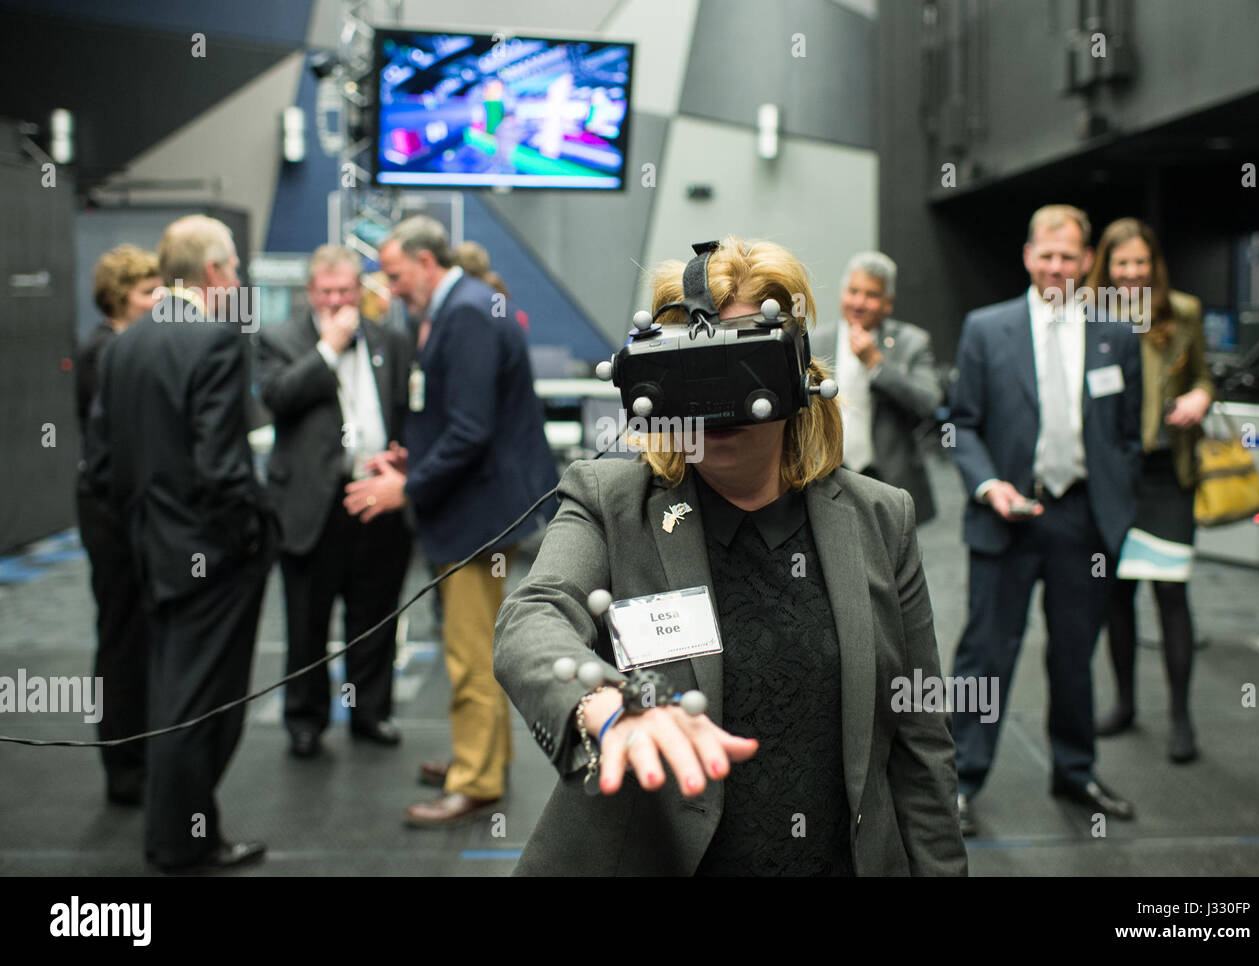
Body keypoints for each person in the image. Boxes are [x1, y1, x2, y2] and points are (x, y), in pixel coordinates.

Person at [493, 236, 968, 875]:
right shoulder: (612, 503)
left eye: (744, 357)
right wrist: (601, 707)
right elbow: (533, 618)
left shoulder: (880, 519)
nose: (718, 395)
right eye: (692, 362)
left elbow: (920, 742)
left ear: (799, 373)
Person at [345, 215, 558, 825]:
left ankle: (478, 779)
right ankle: (482, 755)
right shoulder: (465, 303)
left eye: (395, 275)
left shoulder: (463, 311)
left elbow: (471, 429)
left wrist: (405, 487)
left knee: (470, 653)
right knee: (475, 644)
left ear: (425, 262)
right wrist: (414, 456)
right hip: (478, 502)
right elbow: (458, 417)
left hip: (477, 513)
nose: (389, 289)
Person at [85, 215, 276, 871]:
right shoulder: (216, 338)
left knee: (173, 698)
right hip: (211, 557)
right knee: (200, 709)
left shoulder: (122, 344)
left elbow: (103, 468)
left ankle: (182, 836)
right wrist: (249, 536)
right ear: (216, 273)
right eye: (236, 272)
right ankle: (182, 844)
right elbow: (222, 467)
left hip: (152, 551)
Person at [946, 204, 1142, 837]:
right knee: (985, 655)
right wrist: (988, 485)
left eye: (1069, 257)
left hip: (1083, 520)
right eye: (1046, 255)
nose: (1057, 267)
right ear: (1029, 257)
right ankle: (960, 781)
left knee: (1074, 654)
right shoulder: (986, 328)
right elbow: (961, 424)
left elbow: (1127, 433)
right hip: (1008, 516)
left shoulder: (1116, 334)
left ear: (1085, 262)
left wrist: (1118, 499)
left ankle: (1075, 770)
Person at [256, 245, 413, 759]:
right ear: (310, 294)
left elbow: (400, 410)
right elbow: (277, 398)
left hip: (375, 498)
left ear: (358, 290)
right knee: (307, 622)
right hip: (310, 506)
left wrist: (399, 456)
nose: (336, 300)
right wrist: (327, 349)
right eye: (325, 292)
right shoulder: (280, 339)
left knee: (375, 617)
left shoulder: (389, 339)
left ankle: (371, 712)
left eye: (344, 290)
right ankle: (305, 720)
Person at [1086, 218, 1213, 763]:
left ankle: (1181, 718)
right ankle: (1124, 704)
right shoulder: (1088, 317)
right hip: (1114, 475)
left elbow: (1205, 376)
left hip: (1166, 474)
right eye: (1122, 264)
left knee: (1171, 594)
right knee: (1117, 596)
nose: (1132, 272)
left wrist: (1202, 398)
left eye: (1141, 262)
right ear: (1107, 268)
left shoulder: (1182, 313)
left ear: (1153, 265)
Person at [75, 244, 161, 806]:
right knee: (121, 641)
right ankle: (122, 765)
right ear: (118, 297)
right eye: (146, 292)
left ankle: (140, 754)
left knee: (142, 640)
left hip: (132, 514)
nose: (158, 301)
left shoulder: (130, 348)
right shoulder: (104, 353)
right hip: (110, 518)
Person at [812, 251, 943, 523]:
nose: (859, 302)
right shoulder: (816, 341)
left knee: (890, 561)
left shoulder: (912, 342)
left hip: (888, 476)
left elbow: (929, 403)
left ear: (888, 303)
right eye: (853, 291)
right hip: (828, 474)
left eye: (871, 295)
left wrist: (876, 364)